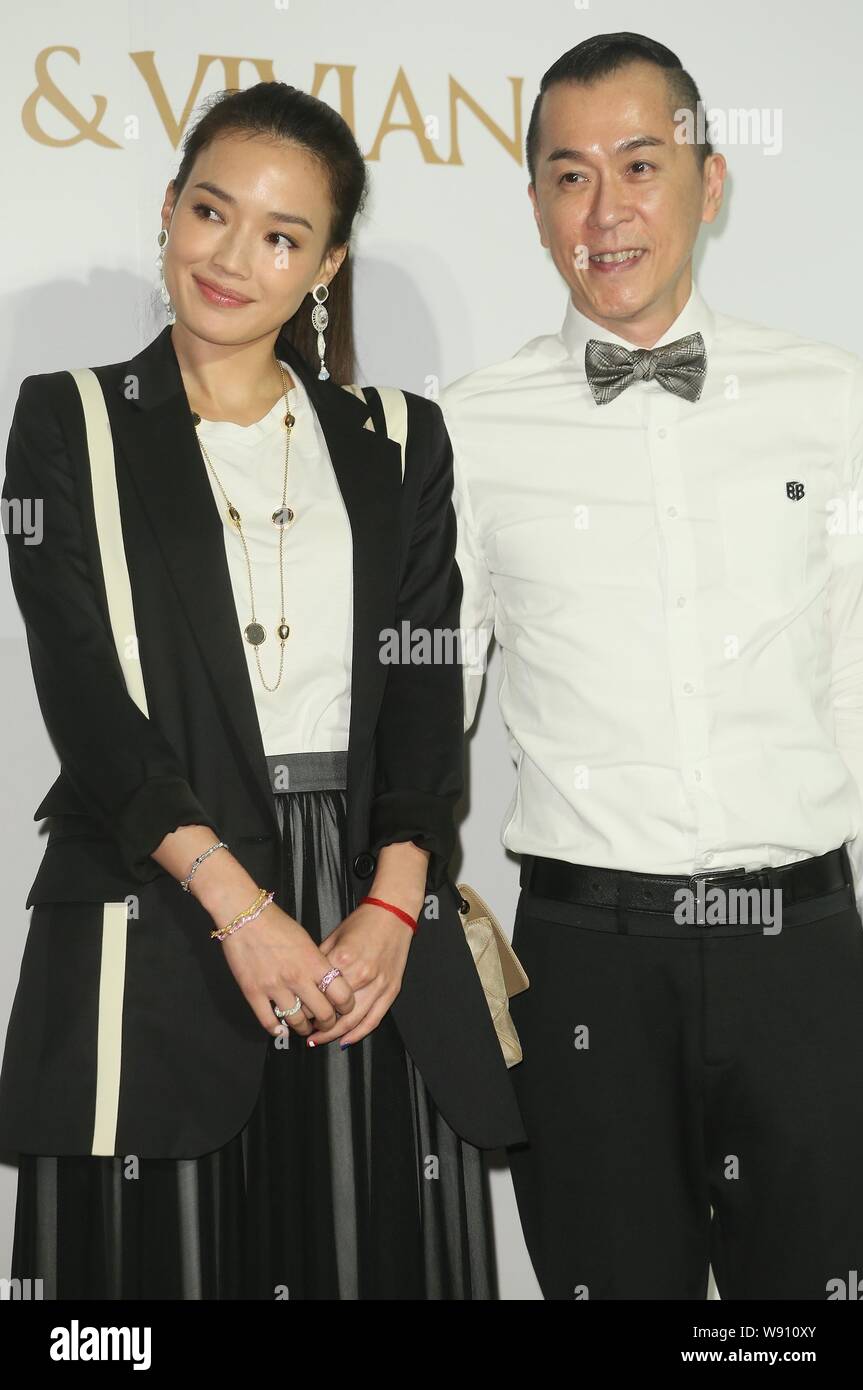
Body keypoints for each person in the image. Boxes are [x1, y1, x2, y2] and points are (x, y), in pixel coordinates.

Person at [0, 79, 525, 1300]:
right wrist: (236, 903)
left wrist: (397, 900)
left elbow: (420, 678)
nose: (233, 258)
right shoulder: (68, 420)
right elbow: (81, 692)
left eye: (282, 236)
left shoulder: (399, 435)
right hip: (160, 886)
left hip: (365, 917)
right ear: (169, 211)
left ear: (326, 263)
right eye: (210, 212)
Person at [441, 32, 863, 1300]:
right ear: (531, 206)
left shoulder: (830, 399)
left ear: (710, 181)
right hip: (583, 955)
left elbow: (853, 673)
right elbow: (428, 698)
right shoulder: (464, 426)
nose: (605, 209)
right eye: (568, 175)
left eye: (640, 164)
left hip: (799, 942)